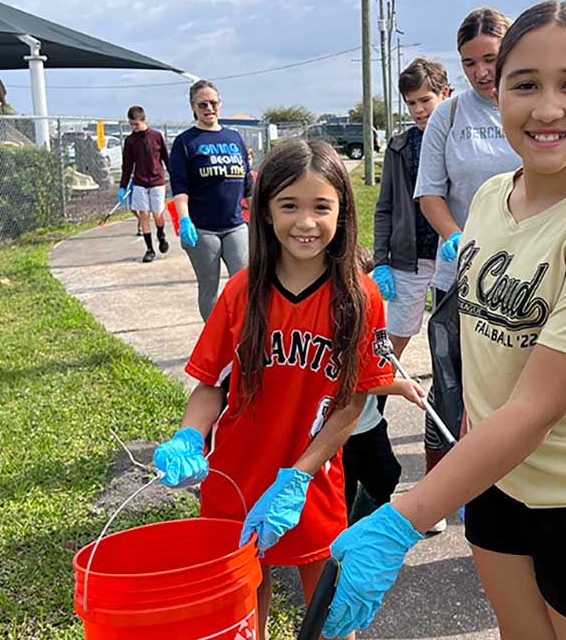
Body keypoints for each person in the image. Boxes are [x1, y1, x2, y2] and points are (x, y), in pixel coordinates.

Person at [323, 0, 566, 640]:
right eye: (525, 84)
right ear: (495, 94)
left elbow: (536, 407)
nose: (545, 108)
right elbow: (485, 348)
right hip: (494, 472)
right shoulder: (488, 198)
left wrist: (405, 517)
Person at [152, 138, 394, 640]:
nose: (305, 223)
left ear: (342, 212)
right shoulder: (241, 292)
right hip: (234, 480)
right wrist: (188, 437)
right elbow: (209, 386)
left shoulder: (360, 296)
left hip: (310, 481)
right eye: (289, 205)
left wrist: (299, 477)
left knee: (329, 609)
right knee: (242, 608)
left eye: (320, 207)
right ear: (263, 212)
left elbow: (352, 403)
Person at [413, 8, 521, 522]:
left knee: (516, 388)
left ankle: (510, 493)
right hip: (459, 275)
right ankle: (438, 495)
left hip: (525, 277)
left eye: (491, 59)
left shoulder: (530, 106)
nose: (481, 72)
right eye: (469, 62)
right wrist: (455, 237)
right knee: (451, 385)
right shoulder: (448, 116)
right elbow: (430, 192)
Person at [372, 58, 451, 363]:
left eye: (425, 100)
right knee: (392, 342)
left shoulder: (459, 141)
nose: (418, 110)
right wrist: (381, 261)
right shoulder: (399, 146)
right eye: (411, 103)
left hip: (453, 253)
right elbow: (385, 207)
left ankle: (448, 406)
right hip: (410, 257)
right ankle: (370, 408)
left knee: (452, 343)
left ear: (444, 93)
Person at [344, 245, 427, 524]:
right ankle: (339, 546)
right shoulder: (334, 325)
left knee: (386, 475)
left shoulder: (369, 315)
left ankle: (362, 527)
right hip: (340, 433)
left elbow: (378, 361)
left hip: (369, 423)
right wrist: (398, 386)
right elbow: (357, 379)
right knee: (341, 493)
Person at [169, 80, 253, 321]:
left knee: (242, 284)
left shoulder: (234, 138)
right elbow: (180, 186)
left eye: (213, 102)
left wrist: (261, 218)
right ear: (193, 107)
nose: (209, 108)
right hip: (202, 229)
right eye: (202, 104)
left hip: (235, 225)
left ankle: (242, 336)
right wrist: (184, 219)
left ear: (220, 104)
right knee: (209, 287)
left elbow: (248, 184)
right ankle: (213, 342)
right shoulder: (186, 142)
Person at [119, 106, 170, 263]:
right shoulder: (130, 141)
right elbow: (127, 165)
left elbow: (166, 159)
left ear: (144, 120)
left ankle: (161, 234)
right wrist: (123, 185)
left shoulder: (156, 136)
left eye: (136, 124)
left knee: (157, 214)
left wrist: (175, 177)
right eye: (131, 125)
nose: (134, 128)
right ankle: (149, 249)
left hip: (157, 181)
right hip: (140, 182)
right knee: (144, 215)